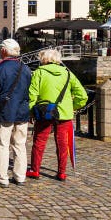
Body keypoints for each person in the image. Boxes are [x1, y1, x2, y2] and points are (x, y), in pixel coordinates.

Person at [27, 49, 88, 181]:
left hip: (44, 113)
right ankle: (61, 173)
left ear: (43, 59)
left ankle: (34, 170)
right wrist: (73, 106)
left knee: (39, 142)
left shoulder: (38, 73)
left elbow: (32, 95)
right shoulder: (67, 73)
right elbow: (82, 96)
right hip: (64, 114)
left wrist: (32, 112)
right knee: (62, 144)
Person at [0, 38, 32, 188]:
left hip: (4, 111)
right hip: (22, 112)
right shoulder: (26, 68)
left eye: (0, 49)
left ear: (4, 51)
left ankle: (2, 177)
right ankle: (20, 176)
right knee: (20, 145)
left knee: (2, 145)